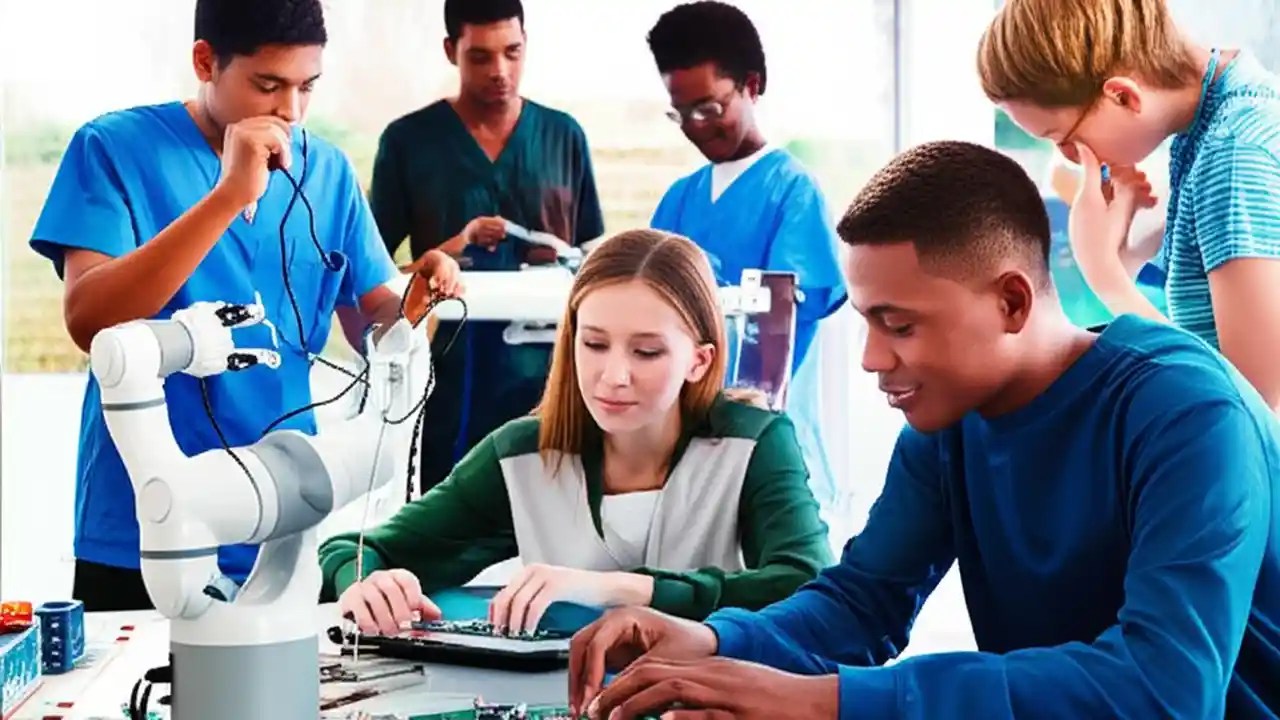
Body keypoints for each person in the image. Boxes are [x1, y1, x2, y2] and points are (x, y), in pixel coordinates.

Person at [566, 142, 1280, 720]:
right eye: (868, 322)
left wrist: (824, 701)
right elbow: (861, 604)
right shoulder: (950, 419)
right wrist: (714, 639)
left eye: (898, 325)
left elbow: (1165, 692)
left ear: (1010, 301)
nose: (874, 359)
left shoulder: (1188, 415)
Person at [27, 0, 460, 612]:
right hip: (143, 523)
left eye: (306, 87)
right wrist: (229, 195)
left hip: (282, 508)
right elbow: (88, 320)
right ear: (205, 61)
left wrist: (419, 298)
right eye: (267, 85)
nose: (290, 110)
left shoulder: (327, 171)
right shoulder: (114, 149)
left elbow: (375, 321)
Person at [319, 229, 831, 637]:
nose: (614, 376)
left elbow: (811, 586)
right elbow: (350, 550)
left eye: (647, 352)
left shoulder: (758, 444)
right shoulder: (520, 455)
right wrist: (366, 581)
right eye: (594, 344)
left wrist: (619, 590)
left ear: (700, 360)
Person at [978, 0, 1280, 410]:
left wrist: (1104, 273)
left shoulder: (1232, 154)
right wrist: (1129, 259)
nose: (1067, 157)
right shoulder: (1222, 110)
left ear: (1122, 96)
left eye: (1062, 137)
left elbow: (1254, 399)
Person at [369, 0, 607, 494]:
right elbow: (374, 280)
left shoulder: (563, 137)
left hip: (554, 378)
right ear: (450, 50)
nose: (500, 71)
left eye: (512, 52)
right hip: (447, 383)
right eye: (480, 56)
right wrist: (453, 247)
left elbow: (593, 264)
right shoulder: (408, 143)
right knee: (447, 517)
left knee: (554, 515)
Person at [644, 1, 848, 526]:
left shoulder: (791, 191)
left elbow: (777, 338)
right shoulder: (678, 200)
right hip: (683, 447)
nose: (695, 127)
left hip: (766, 443)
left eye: (709, 108)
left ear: (752, 85)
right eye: (680, 113)